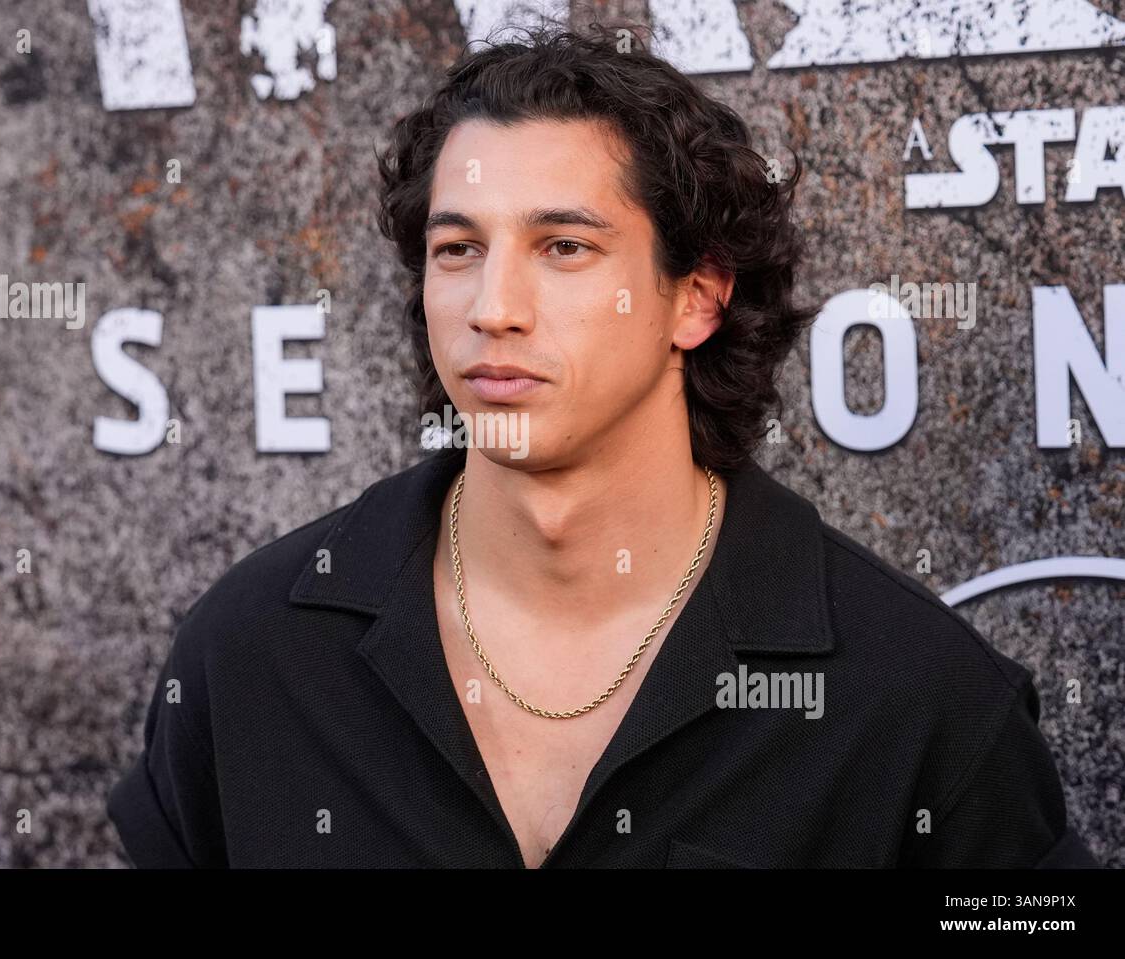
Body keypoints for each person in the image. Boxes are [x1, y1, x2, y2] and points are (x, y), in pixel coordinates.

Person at [107, 23, 1096, 869]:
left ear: (697, 295)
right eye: (458, 249)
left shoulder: (917, 701)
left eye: (563, 247)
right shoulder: (253, 650)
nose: (493, 308)